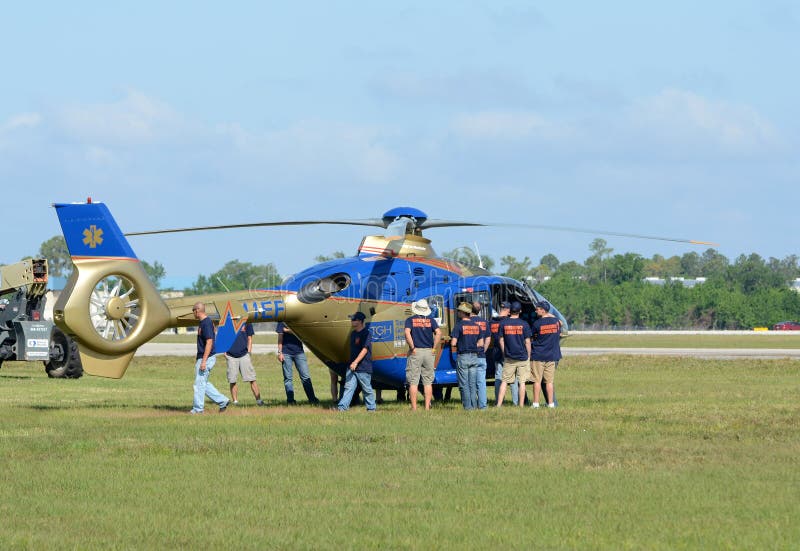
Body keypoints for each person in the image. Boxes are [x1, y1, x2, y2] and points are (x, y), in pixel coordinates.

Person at [189, 302, 230, 414]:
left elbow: (209, 342)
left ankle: (198, 410)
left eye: (193, 310)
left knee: (199, 384)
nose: (193, 312)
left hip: (206, 358)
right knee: (203, 383)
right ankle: (223, 401)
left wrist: (204, 361)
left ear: (197, 310)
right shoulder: (205, 322)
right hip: (204, 357)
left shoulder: (206, 323)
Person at [404, 298, 442, 410]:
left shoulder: (410, 320)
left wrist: (412, 347)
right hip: (429, 352)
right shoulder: (431, 320)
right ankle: (426, 407)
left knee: (413, 381)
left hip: (416, 352)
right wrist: (434, 348)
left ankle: (414, 408)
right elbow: (439, 333)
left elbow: (407, 333)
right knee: (428, 381)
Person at [337, 312, 377, 411]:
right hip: (352, 366)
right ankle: (342, 408)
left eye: (353, 320)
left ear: (360, 321)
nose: (351, 321)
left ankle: (371, 409)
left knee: (367, 389)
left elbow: (365, 349)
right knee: (348, 387)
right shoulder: (353, 334)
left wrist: (356, 362)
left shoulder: (366, 333)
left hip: (363, 367)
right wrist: (352, 363)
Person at [495, 301, 531, 408]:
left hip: (509, 357)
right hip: (522, 357)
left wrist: (504, 352)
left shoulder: (503, 323)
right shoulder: (524, 324)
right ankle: (520, 405)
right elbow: (527, 342)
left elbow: (501, 340)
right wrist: (528, 355)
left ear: (510, 311)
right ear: (520, 311)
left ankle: (498, 405)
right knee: (522, 382)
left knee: (504, 381)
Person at [450, 302, 485, 410]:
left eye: (459, 311)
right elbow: (481, 343)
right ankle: (474, 405)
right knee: (472, 383)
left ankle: (468, 407)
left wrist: (461, 342)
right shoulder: (477, 326)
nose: (458, 313)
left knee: (464, 384)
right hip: (475, 356)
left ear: (463, 313)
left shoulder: (459, 325)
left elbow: (453, 343)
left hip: (463, 357)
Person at [277, 322, 320, 405]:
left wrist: (287, 330)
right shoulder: (281, 321)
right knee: (288, 378)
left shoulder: (297, 319)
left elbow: (302, 332)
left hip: (299, 352)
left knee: (306, 377)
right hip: (286, 353)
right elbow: (280, 337)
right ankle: (290, 401)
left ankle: (312, 399)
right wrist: (280, 352)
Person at [224, 321, 265, 406]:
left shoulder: (247, 322)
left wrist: (249, 352)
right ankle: (235, 402)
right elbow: (223, 337)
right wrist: (224, 351)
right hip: (231, 355)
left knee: (252, 379)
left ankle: (259, 401)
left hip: (244, 355)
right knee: (232, 380)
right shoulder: (228, 322)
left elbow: (250, 338)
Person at [530, 300, 562, 408]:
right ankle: (551, 404)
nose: (535, 311)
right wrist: (549, 314)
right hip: (552, 356)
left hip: (538, 355)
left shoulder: (537, 323)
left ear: (543, 311)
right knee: (549, 382)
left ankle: (535, 404)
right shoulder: (556, 322)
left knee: (537, 380)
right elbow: (561, 323)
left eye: (538, 309)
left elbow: (531, 336)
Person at [491, 301, 520, 405]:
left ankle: (498, 401)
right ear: (508, 311)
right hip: (508, 352)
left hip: (496, 352)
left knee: (498, 377)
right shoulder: (507, 322)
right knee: (513, 379)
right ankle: (516, 402)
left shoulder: (492, 322)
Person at [471, 301, 490, 409]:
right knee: (481, 382)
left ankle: (472, 405)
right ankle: (483, 406)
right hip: (481, 355)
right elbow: (488, 338)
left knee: (471, 382)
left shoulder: (467, 322)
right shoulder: (484, 322)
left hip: (470, 355)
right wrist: (484, 349)